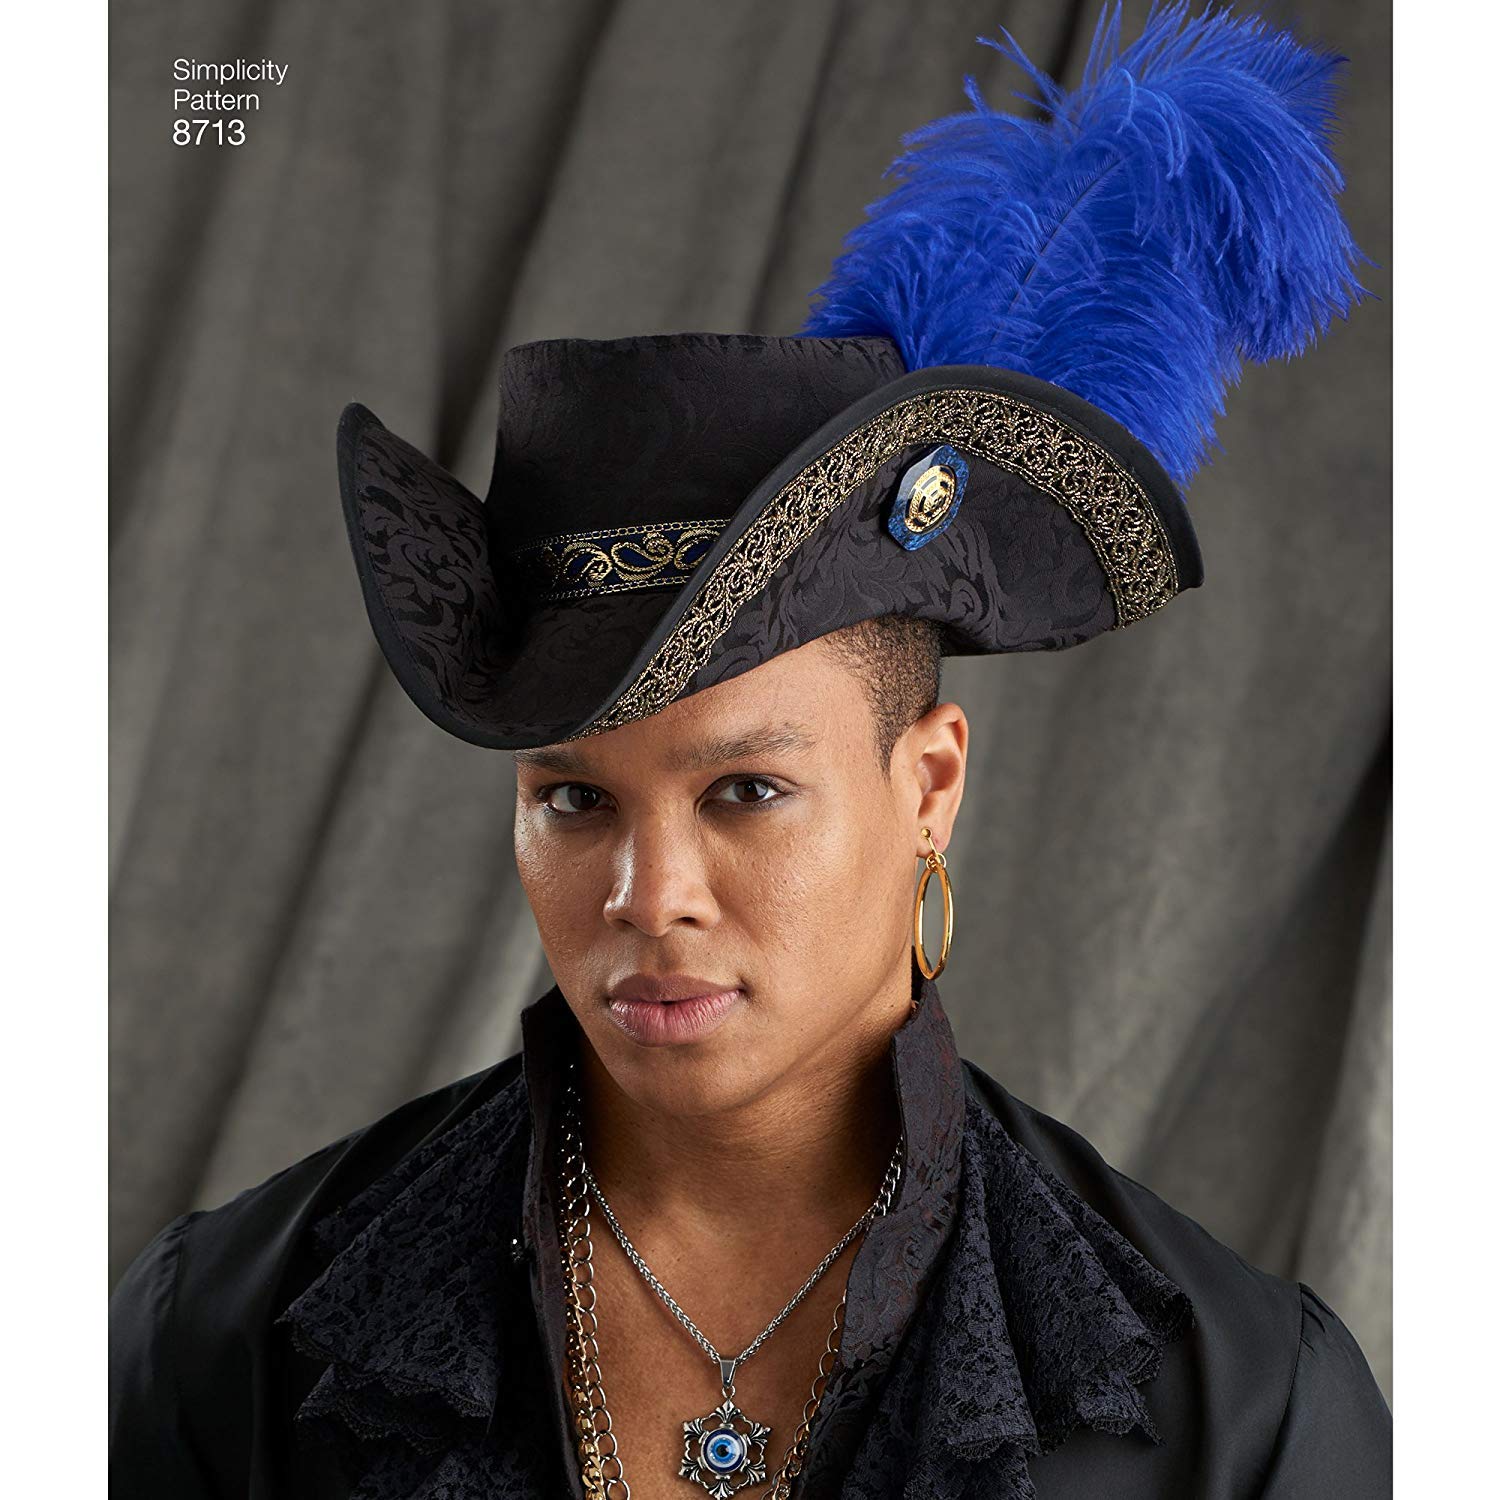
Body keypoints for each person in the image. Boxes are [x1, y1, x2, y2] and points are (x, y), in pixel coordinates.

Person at [110, 4, 1391, 1497]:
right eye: (573, 798)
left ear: (930, 787)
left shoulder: (1237, 1409)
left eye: (745, 791)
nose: (648, 894)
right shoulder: (231, 1339)